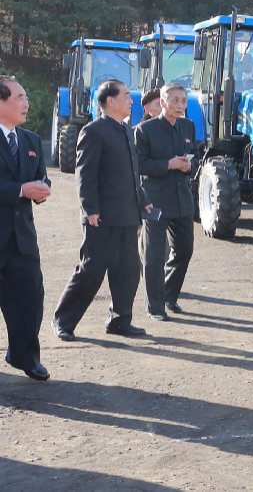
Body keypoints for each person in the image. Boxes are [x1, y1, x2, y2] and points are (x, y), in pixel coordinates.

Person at [53, 79, 153, 340]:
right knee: (91, 271)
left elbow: (131, 173)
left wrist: (142, 199)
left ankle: (120, 320)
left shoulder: (126, 130)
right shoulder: (94, 131)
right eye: (126, 95)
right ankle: (63, 320)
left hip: (128, 215)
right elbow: (85, 175)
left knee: (129, 271)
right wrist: (90, 209)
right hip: (102, 216)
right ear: (110, 101)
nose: (131, 100)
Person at [0, 76, 51, 381]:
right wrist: (21, 190)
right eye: (19, 97)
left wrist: (43, 189)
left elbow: (41, 177)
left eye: (26, 96)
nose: (26, 102)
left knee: (31, 300)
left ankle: (25, 357)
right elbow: (20, 187)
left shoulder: (31, 140)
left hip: (21, 240)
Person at [135, 83, 197, 319]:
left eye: (183, 100)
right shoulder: (144, 130)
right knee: (153, 256)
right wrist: (168, 164)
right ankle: (156, 307)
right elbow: (139, 165)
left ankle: (169, 295)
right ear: (162, 102)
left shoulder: (187, 126)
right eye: (175, 100)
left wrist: (190, 165)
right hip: (155, 199)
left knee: (184, 250)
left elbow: (197, 154)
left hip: (182, 199)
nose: (180, 105)